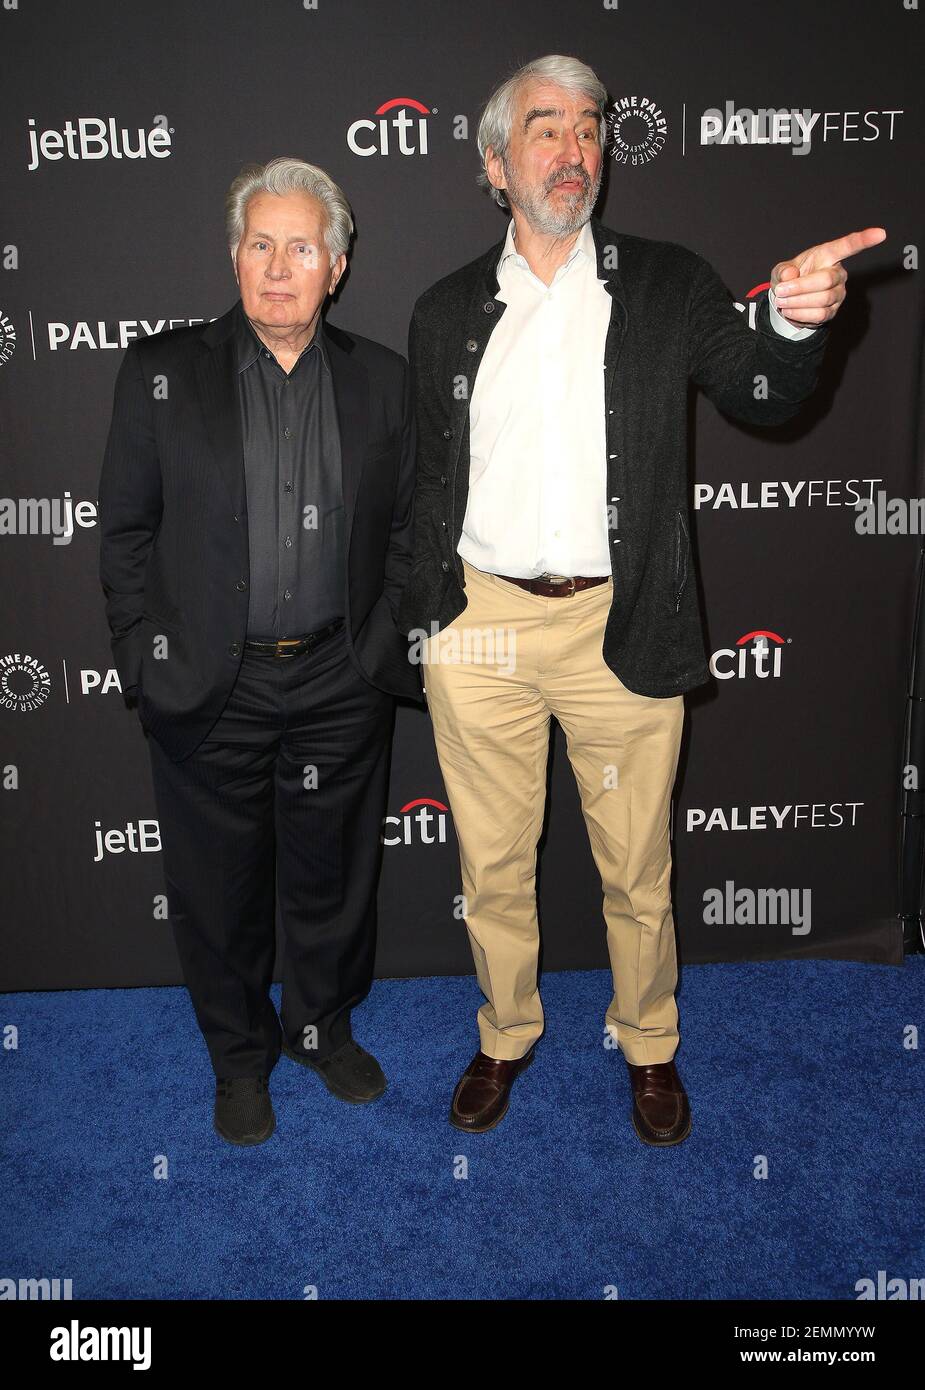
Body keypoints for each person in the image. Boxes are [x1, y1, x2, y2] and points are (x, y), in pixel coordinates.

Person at [398, 54, 884, 1143]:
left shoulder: (666, 283)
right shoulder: (441, 312)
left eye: (586, 129)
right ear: (493, 166)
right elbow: (424, 482)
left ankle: (649, 1044)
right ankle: (505, 1031)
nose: (571, 150)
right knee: (490, 861)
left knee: (636, 863)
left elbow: (760, 393)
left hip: (619, 622)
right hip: (479, 621)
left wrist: (796, 325)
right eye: (543, 129)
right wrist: (423, 622)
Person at [99, 157, 419, 1146]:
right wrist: (145, 660)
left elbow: (411, 531)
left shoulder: (385, 384)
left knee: (332, 880)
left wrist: (376, 650)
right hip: (210, 681)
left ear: (338, 264)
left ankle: (320, 1029)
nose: (278, 268)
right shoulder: (160, 373)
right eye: (259, 244)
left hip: (337, 675)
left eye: (301, 247)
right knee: (218, 887)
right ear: (234, 256)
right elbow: (125, 534)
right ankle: (238, 1057)